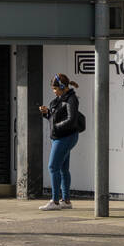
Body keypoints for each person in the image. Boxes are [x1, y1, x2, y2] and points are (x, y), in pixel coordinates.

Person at [39, 73, 82, 209]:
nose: (54, 91)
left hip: (65, 137)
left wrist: (56, 126)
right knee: (63, 168)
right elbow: (56, 117)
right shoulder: (61, 98)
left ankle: (55, 201)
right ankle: (66, 201)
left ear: (63, 87)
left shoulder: (71, 99)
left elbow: (71, 119)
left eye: (55, 88)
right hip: (61, 136)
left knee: (53, 167)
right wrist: (47, 113)